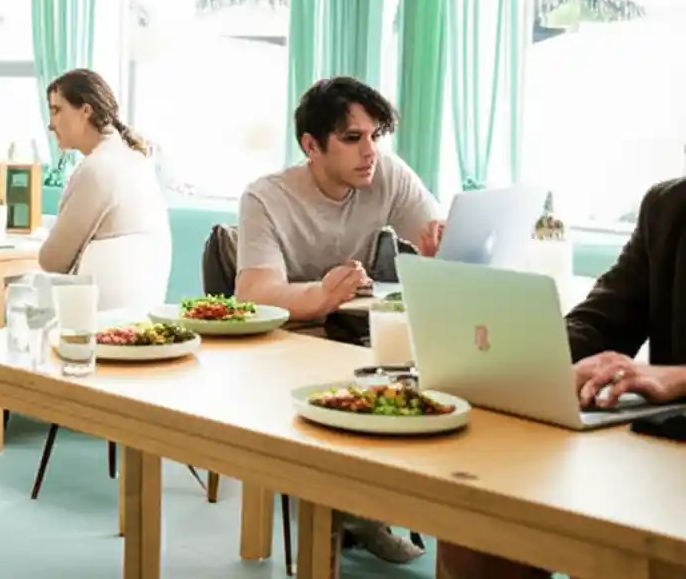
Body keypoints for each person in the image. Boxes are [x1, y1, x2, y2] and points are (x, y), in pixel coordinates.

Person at [235, 76, 442, 564]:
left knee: (421, 375)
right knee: (364, 381)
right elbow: (255, 294)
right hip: (285, 338)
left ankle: (371, 506)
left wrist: (444, 245)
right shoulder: (265, 198)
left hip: (349, 333)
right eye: (353, 139)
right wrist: (321, 296)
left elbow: (435, 236)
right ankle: (359, 513)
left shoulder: (385, 175)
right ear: (312, 145)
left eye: (374, 136)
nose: (369, 151)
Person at [436, 177, 686, 578]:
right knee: (486, 513)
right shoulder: (668, 205)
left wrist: (678, 377)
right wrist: (530, 356)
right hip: (657, 449)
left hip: (667, 459)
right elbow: (600, 320)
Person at [0, 68, 170, 335]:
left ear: (86, 111)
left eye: (57, 110)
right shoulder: (136, 161)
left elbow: (53, 261)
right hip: (132, 313)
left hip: (87, 316)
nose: (50, 123)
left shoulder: (97, 169)